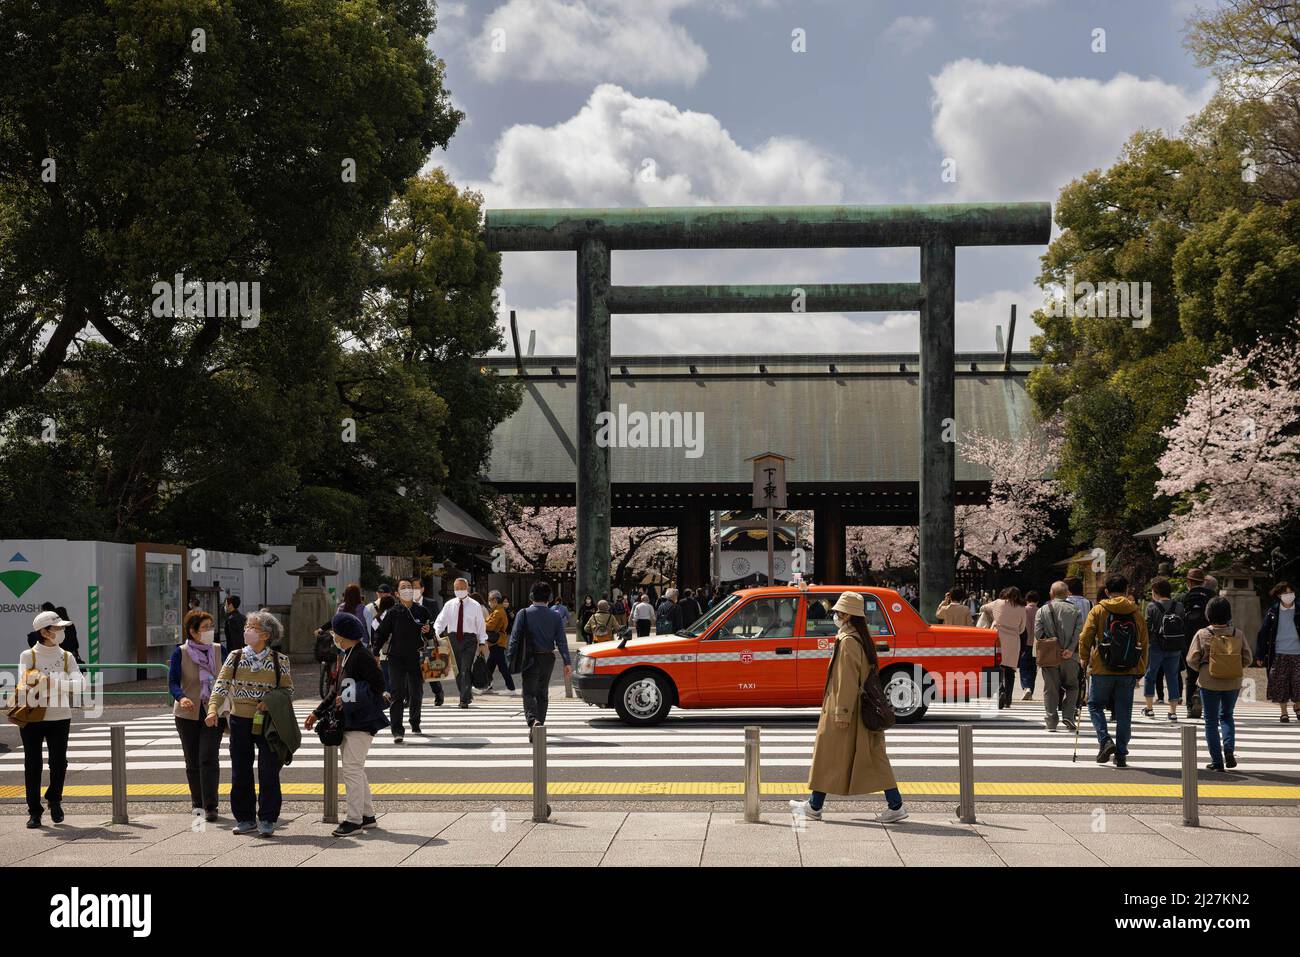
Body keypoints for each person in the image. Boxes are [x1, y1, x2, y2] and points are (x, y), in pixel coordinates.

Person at [789, 591, 906, 824]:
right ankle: (894, 805)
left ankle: (815, 805)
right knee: (868, 758)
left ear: (846, 614)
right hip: (859, 711)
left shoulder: (849, 642)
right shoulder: (859, 638)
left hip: (847, 711)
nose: (835, 615)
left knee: (829, 755)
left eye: (838, 612)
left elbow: (846, 680)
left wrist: (841, 713)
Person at [205, 611, 294, 837]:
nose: (247, 630)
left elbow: (287, 690)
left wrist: (269, 701)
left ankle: (267, 818)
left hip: (267, 722)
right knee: (240, 770)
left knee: (268, 771)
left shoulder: (279, 660)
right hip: (239, 720)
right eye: (247, 626)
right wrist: (213, 709)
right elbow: (221, 685)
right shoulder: (235, 656)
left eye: (252, 627)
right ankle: (245, 818)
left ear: (265, 634)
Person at [305, 612, 389, 835]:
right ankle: (367, 815)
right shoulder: (348, 654)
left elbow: (379, 684)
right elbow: (336, 689)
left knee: (352, 769)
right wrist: (317, 712)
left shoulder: (360, 655)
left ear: (342, 636)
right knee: (356, 769)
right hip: (352, 720)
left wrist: (351, 695)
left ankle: (354, 820)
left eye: (334, 632)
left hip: (362, 720)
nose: (332, 636)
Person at [17, 610, 84, 828]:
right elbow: (25, 687)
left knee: (59, 763)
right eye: (58, 628)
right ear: (45, 632)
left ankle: (55, 800)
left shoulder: (67, 656)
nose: (62, 631)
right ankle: (34, 811)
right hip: (32, 717)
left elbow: (81, 684)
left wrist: (52, 683)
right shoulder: (28, 656)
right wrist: (60, 684)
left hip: (60, 716)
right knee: (32, 763)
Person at [1079, 573, 1149, 768]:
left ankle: (1104, 740)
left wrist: (1084, 658)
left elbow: (1086, 636)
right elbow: (1144, 643)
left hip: (1102, 667)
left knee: (1094, 705)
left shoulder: (1099, 610)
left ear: (1107, 591)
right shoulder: (1136, 612)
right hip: (1128, 669)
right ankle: (1121, 754)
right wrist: (1140, 669)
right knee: (1124, 711)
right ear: (1127, 591)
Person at [1186, 596, 1253, 771]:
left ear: (1208, 614)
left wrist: (1202, 669)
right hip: (1233, 681)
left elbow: (1191, 659)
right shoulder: (1237, 633)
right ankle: (1229, 750)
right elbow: (1248, 658)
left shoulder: (1203, 634)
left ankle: (1217, 761)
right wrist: (1233, 667)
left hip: (1209, 681)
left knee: (1210, 721)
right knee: (1227, 716)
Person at [170, 609, 225, 823]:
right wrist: (181, 697)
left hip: (214, 710)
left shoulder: (220, 651)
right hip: (188, 713)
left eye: (211, 627)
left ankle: (211, 806)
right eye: (205, 628)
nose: (209, 631)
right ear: (192, 631)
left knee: (208, 757)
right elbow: (173, 681)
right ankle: (197, 803)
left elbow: (229, 678)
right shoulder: (180, 652)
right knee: (192, 761)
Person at [508, 580, 573, 740]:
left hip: (529, 658)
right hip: (548, 658)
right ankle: (539, 725)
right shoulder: (556, 616)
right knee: (542, 693)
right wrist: (567, 662)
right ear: (549, 598)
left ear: (531, 596)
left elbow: (514, 638)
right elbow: (562, 641)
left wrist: (510, 658)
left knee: (529, 692)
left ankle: (533, 721)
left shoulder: (523, 613)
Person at [374, 578, 432, 738]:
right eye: (403, 587)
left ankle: (415, 723)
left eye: (409, 587)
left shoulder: (422, 611)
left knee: (416, 692)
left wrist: (428, 630)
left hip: (416, 656)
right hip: (396, 657)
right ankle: (397, 729)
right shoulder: (393, 612)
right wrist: (375, 652)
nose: (407, 589)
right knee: (397, 693)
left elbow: (431, 632)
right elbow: (381, 633)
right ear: (397, 594)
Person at [1034, 581, 1083, 732]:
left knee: (1050, 689)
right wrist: (1069, 649)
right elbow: (1079, 633)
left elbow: (1038, 632)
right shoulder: (1076, 610)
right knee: (1073, 686)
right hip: (1071, 656)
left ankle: (1051, 722)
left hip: (1050, 656)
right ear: (1068, 593)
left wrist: (1053, 646)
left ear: (1051, 594)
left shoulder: (1042, 610)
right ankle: (1068, 714)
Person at [433, 578, 488, 709]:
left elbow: (480, 625)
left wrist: (482, 642)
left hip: (469, 640)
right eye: (457, 588)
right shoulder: (449, 604)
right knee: (457, 670)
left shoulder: (475, 605)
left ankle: (463, 699)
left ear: (467, 588)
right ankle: (466, 694)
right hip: (452, 639)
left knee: (465, 668)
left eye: (462, 588)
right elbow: (440, 621)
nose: (459, 590)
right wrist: (435, 635)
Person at [1256, 581, 1300, 724]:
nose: (1288, 595)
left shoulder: (1299, 609)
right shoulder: (1273, 612)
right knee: (1280, 682)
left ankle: (1298, 706)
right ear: (1279, 595)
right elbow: (1263, 634)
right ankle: (1283, 712)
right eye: (1285, 593)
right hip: (1279, 652)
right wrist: (1260, 654)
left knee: (1298, 682)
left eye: (1290, 592)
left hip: (1297, 652)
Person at [1175, 568, 1216, 720]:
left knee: (1191, 674)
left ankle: (1190, 707)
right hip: (1210, 638)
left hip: (1188, 640)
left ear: (1189, 582)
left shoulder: (1183, 597)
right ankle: (1205, 702)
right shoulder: (1212, 596)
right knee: (1209, 672)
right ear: (1203, 581)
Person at [1142, 577, 1184, 722]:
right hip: (1175, 646)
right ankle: (1172, 712)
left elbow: (1147, 627)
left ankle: (1149, 709)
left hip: (1156, 646)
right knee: (1172, 676)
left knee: (1150, 675)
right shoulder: (1179, 607)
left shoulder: (1151, 607)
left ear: (1155, 592)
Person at [979, 587, 1029, 709]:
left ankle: (1000, 690)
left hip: (997, 637)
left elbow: (982, 608)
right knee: (1010, 671)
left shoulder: (997, 603)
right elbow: (1022, 628)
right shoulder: (1022, 608)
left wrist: (994, 616)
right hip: (1013, 640)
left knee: (995, 667)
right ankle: (1008, 699)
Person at [419, 578, 447, 706]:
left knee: (430, 669)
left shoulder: (431, 603)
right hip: (411, 641)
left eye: (416, 587)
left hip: (428, 639)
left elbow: (436, 621)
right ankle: (412, 696)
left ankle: (438, 692)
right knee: (413, 670)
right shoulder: (404, 603)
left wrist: (429, 629)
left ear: (422, 589)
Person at [481, 591, 516, 692]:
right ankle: (487, 685)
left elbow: (490, 625)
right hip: (497, 642)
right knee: (493, 667)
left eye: (490, 600)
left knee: (499, 667)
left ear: (495, 600)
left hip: (497, 642)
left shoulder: (498, 612)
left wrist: (481, 623)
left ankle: (510, 688)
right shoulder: (498, 611)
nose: (489, 602)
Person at [1019, 590, 1040, 700]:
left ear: (1026, 599)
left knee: (1023, 667)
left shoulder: (1023, 610)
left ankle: (1026, 687)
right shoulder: (1040, 610)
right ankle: (1030, 689)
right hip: (1036, 643)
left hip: (1024, 642)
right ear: (1037, 600)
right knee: (1033, 668)